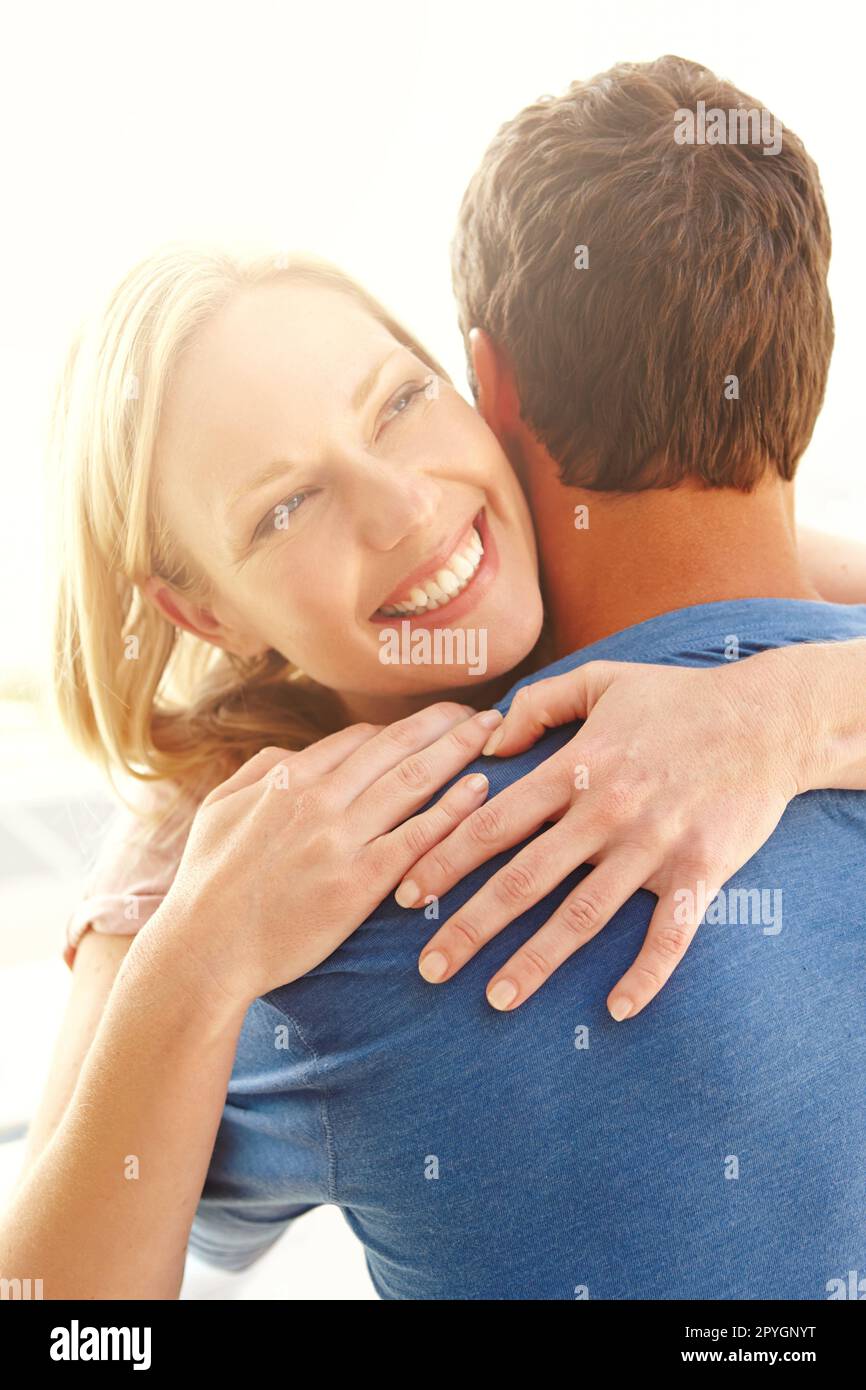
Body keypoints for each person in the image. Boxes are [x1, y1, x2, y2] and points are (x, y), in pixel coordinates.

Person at [0, 55, 863, 1299]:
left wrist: (783, 717)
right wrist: (194, 959)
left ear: (480, 388)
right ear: (203, 612)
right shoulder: (201, 841)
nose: (401, 507)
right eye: (286, 505)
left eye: (400, 401)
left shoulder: (626, 584)